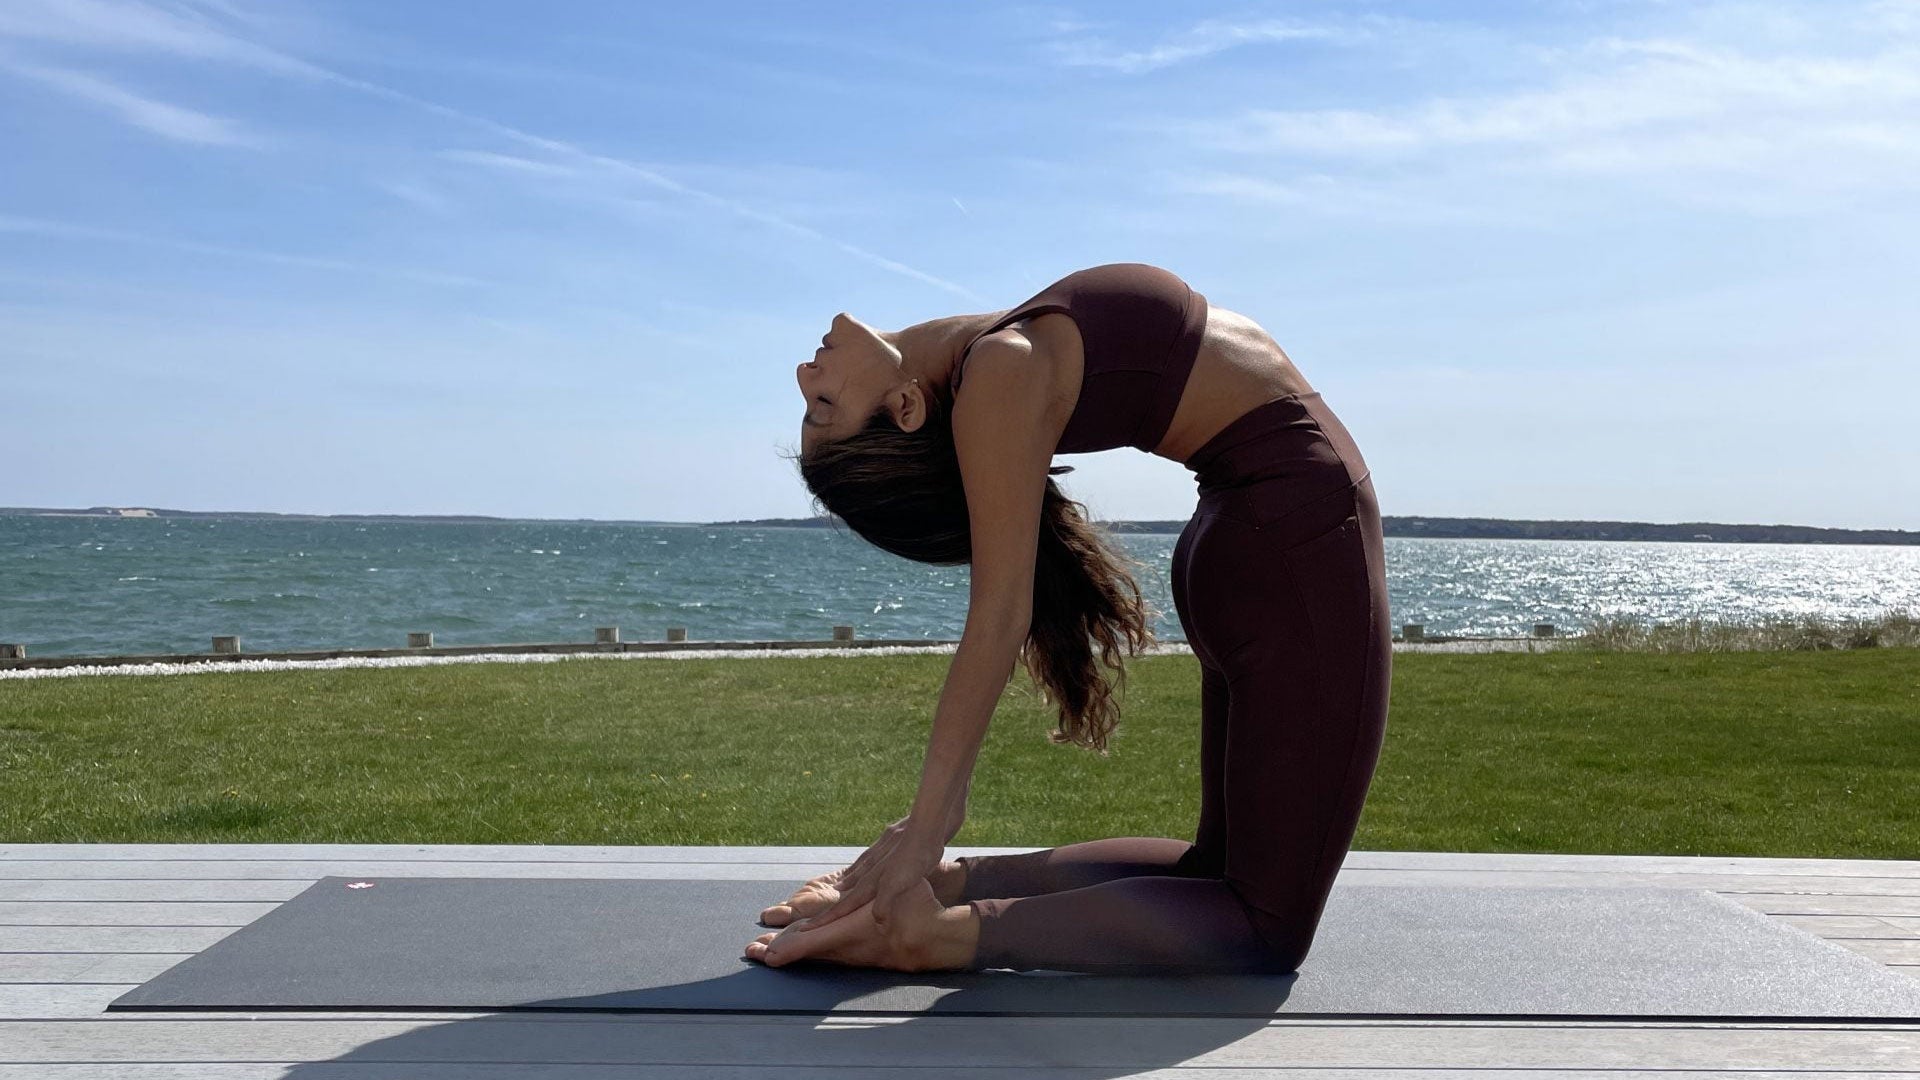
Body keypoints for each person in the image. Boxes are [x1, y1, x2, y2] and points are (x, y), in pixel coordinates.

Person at [746, 263, 1391, 974]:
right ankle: (929, 935)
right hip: (1294, 544)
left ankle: (952, 890)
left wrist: (924, 849)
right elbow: (999, 613)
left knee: (1221, 871)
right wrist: (927, 825)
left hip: (1264, 537)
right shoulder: (999, 368)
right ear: (903, 410)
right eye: (821, 409)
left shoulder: (986, 354)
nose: (807, 379)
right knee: (1265, 924)